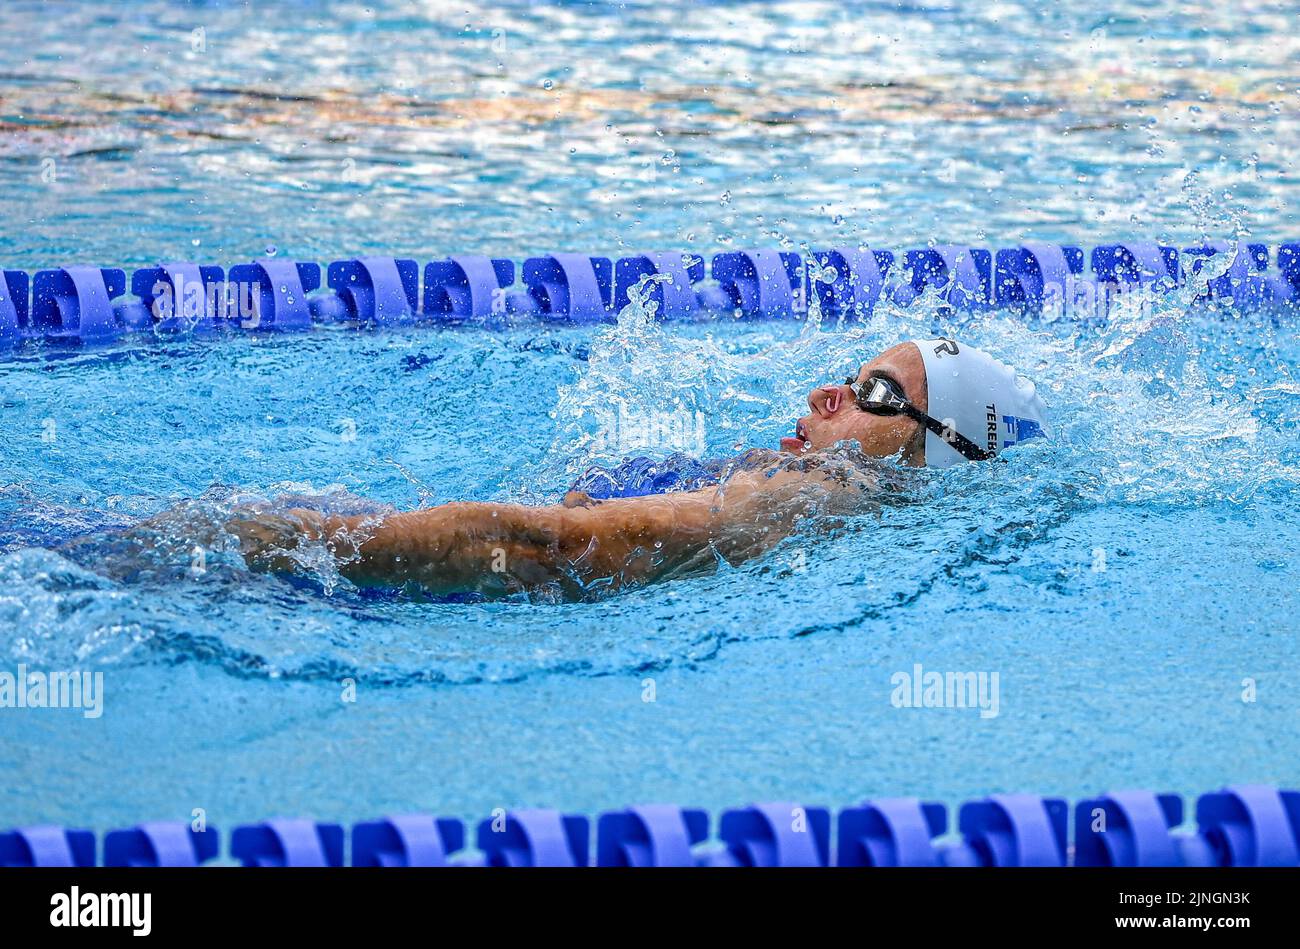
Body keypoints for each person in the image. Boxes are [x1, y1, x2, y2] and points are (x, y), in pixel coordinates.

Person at [140, 338, 1050, 600]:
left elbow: (568, 541)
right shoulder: (813, 490)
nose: (823, 398)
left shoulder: (810, 499)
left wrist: (300, 541)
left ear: (932, 452)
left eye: (872, 397)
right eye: (849, 378)